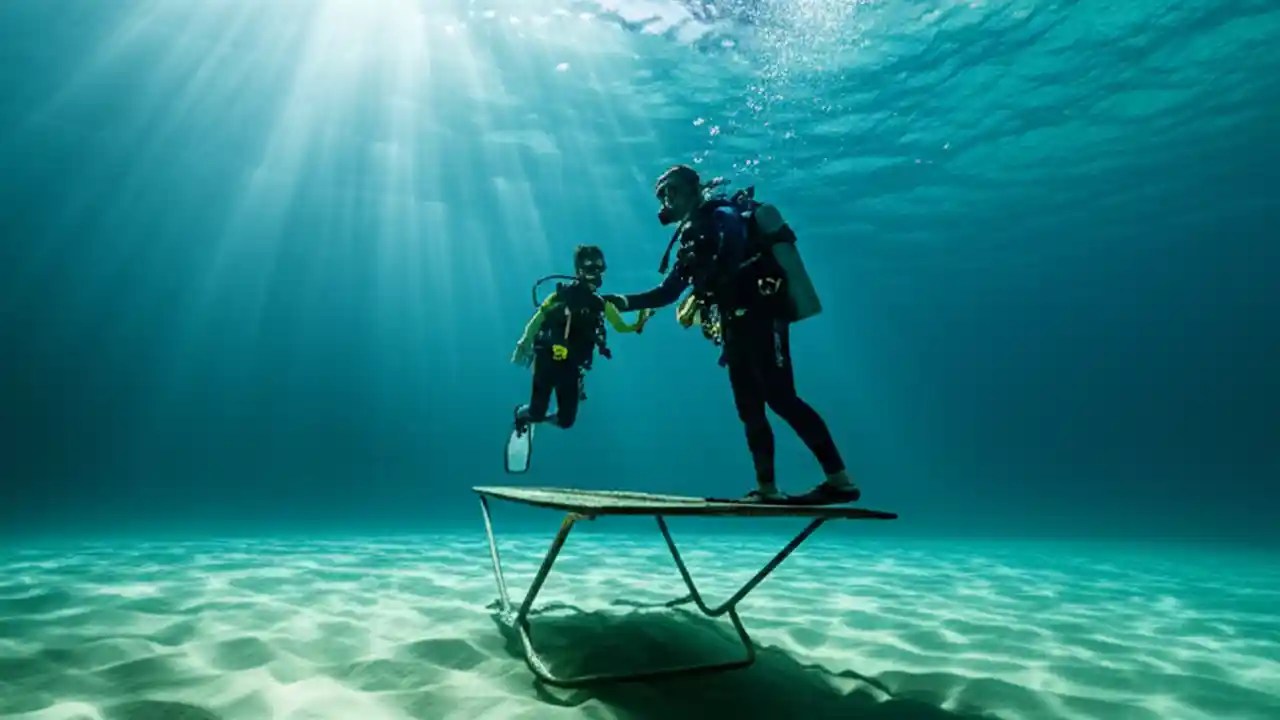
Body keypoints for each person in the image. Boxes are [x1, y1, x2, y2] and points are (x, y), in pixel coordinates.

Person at [604, 165, 860, 504]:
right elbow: (666, 293)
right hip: (734, 327)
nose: (667, 199)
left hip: (764, 316)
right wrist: (616, 302)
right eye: (662, 195)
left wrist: (707, 284)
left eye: (673, 190)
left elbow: (732, 251)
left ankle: (840, 481)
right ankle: (767, 489)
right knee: (749, 408)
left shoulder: (722, 214)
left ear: (695, 190)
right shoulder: (691, 236)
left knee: (782, 399)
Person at [511, 244, 652, 434]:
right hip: (546, 361)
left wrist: (641, 319)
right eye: (590, 267)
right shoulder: (560, 297)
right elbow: (539, 318)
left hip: (571, 367)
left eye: (599, 267)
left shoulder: (599, 304)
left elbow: (620, 325)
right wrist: (524, 343)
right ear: (579, 271)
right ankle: (523, 416)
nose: (595, 273)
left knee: (566, 421)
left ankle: (536, 417)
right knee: (537, 412)